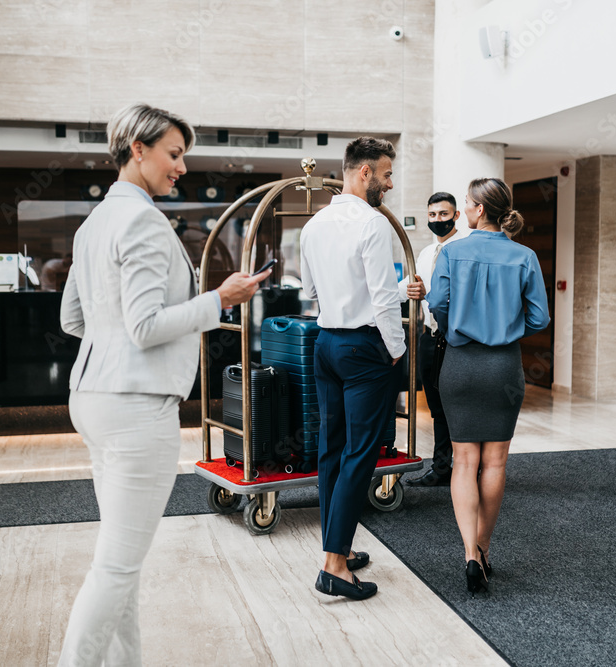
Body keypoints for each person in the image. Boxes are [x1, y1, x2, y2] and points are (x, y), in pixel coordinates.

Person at [57, 103, 268, 666]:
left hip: (93, 398)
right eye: (174, 154)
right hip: (136, 406)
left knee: (119, 560)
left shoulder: (94, 223)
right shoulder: (143, 221)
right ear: (138, 149)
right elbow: (146, 327)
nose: (182, 167)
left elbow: (72, 320)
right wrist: (220, 299)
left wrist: (114, 332)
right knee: (117, 565)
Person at [300, 136, 424, 601]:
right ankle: (334, 567)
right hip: (365, 349)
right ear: (365, 171)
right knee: (359, 454)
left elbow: (310, 291)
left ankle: (339, 548)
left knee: (331, 450)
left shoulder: (314, 224)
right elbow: (384, 298)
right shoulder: (373, 224)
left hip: (326, 344)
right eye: (387, 174)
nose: (390, 184)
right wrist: (396, 349)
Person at [427, 177, 550, 595]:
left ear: (479, 210)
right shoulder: (524, 256)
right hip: (503, 368)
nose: (463, 209)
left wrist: (457, 328)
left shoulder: (451, 252)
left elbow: (437, 304)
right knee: (494, 463)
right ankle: (483, 548)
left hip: (460, 365)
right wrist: (507, 329)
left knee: (464, 461)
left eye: (466, 203)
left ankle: (468, 555)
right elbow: (539, 318)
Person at [400, 192, 462, 487]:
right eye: (433, 215)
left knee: (457, 406)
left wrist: (429, 294)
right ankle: (441, 468)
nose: (438, 220)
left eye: (444, 214)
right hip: (429, 337)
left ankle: (467, 467)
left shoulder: (464, 250)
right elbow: (410, 285)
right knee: (436, 407)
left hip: (456, 339)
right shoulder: (426, 253)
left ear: (456, 216)